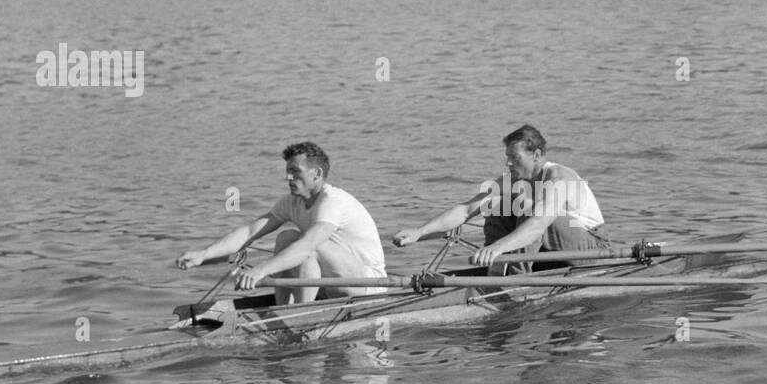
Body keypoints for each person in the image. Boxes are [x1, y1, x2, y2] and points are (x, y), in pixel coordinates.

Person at [176, 142, 386, 301]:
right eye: (287, 172)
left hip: (367, 284)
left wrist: (260, 271)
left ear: (317, 174)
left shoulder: (333, 202)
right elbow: (250, 232)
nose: (288, 178)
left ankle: (304, 319)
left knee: (308, 245)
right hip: (333, 280)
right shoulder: (292, 202)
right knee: (285, 237)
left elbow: (306, 247)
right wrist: (203, 255)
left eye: (295, 172)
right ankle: (284, 312)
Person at [392, 125, 609, 267]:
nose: (508, 163)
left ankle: (513, 283)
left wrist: (497, 248)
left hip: (592, 250)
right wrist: (419, 233)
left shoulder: (559, 177)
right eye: (507, 157)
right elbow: (467, 210)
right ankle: (497, 272)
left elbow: (538, 224)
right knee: (497, 205)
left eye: (514, 157)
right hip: (553, 248)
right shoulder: (512, 179)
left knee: (526, 205)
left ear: (537, 155)